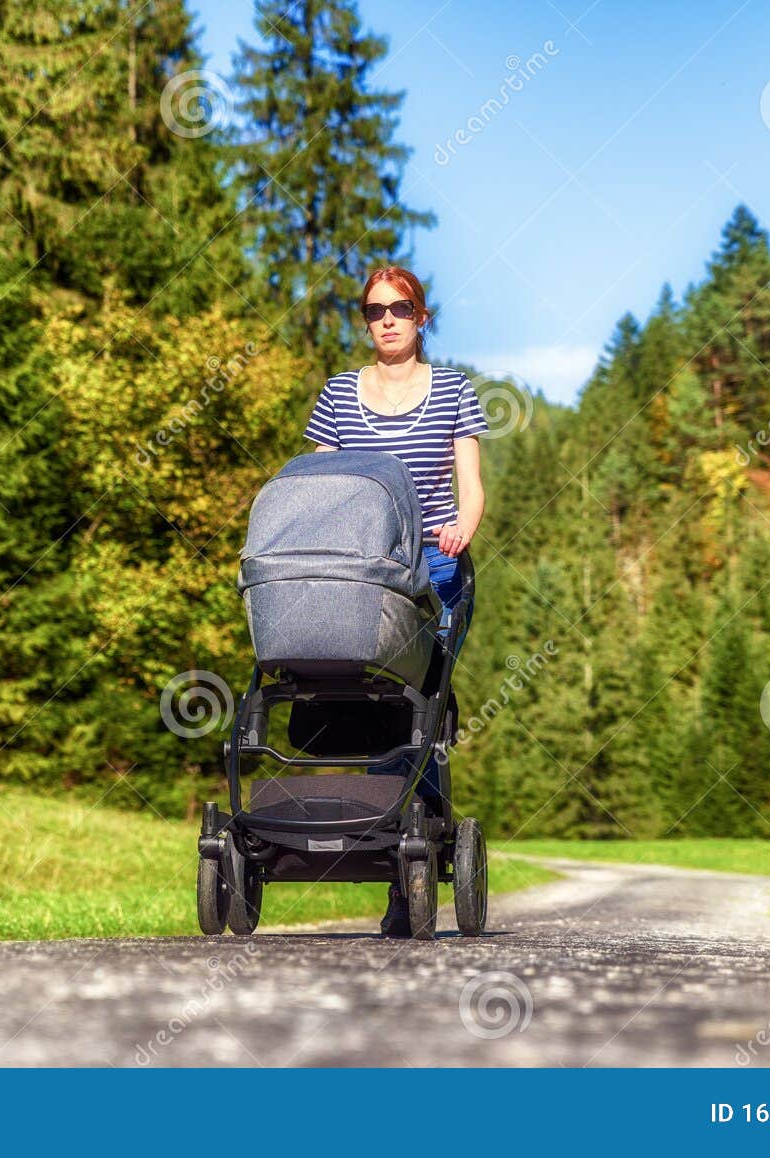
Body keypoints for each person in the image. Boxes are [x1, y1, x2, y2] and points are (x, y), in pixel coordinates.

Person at [302, 265, 488, 937]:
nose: (387, 318)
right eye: (375, 309)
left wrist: (463, 527)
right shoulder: (339, 395)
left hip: (436, 570)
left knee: (413, 709)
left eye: (400, 307)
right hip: (363, 575)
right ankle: (399, 855)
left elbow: (471, 483)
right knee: (369, 706)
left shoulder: (453, 391)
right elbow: (315, 487)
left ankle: (407, 868)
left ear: (422, 316)